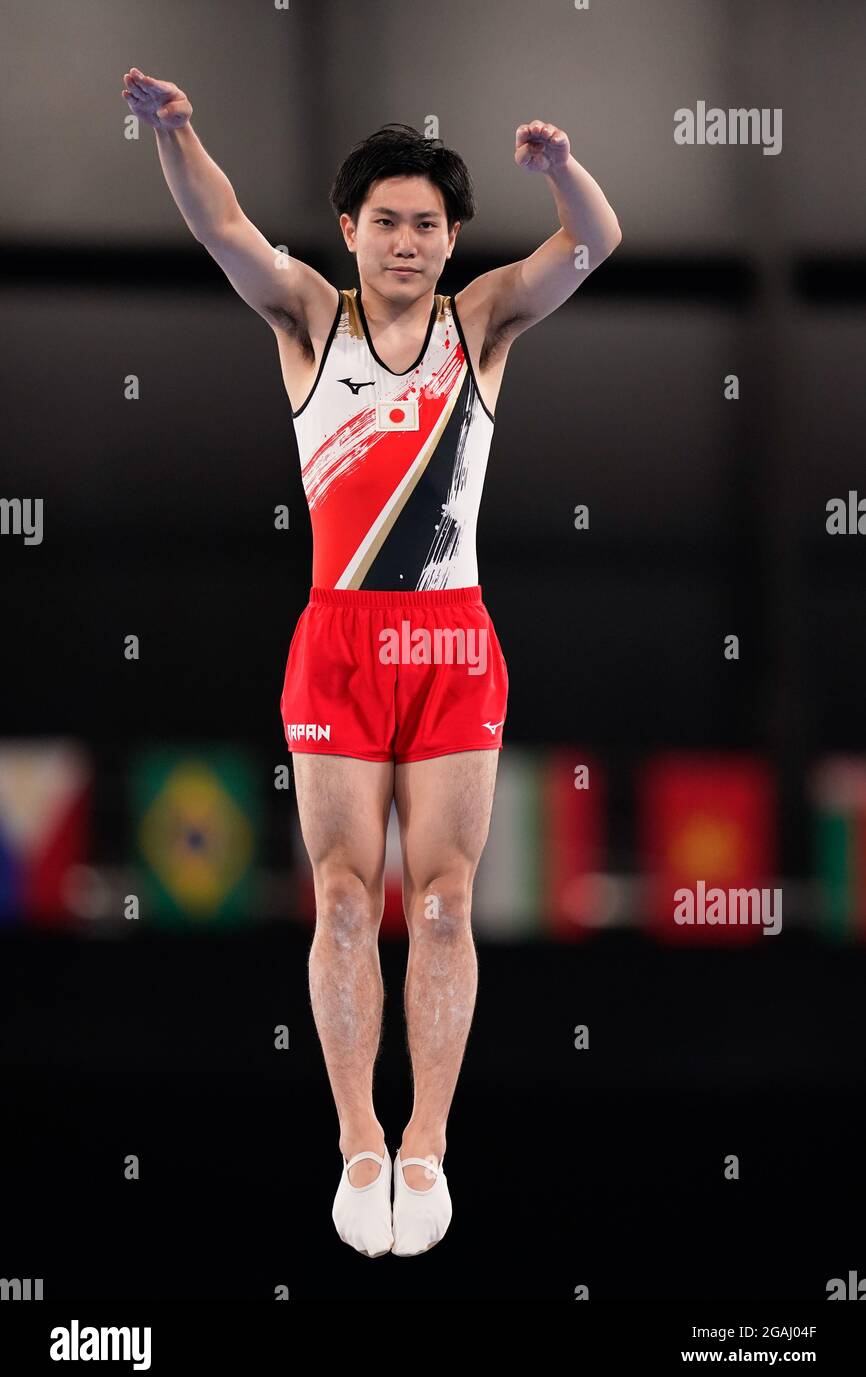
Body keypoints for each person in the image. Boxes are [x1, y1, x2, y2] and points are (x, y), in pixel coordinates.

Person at [123, 66, 622, 1256]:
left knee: (443, 907)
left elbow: (595, 242)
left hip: (453, 642)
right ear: (349, 232)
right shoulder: (308, 315)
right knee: (344, 900)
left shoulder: (484, 319)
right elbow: (221, 225)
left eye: (428, 226)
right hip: (339, 640)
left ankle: (426, 1143)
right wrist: (179, 136)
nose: (407, 242)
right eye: (386, 222)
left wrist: (558, 173)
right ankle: (358, 1135)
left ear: (454, 242)